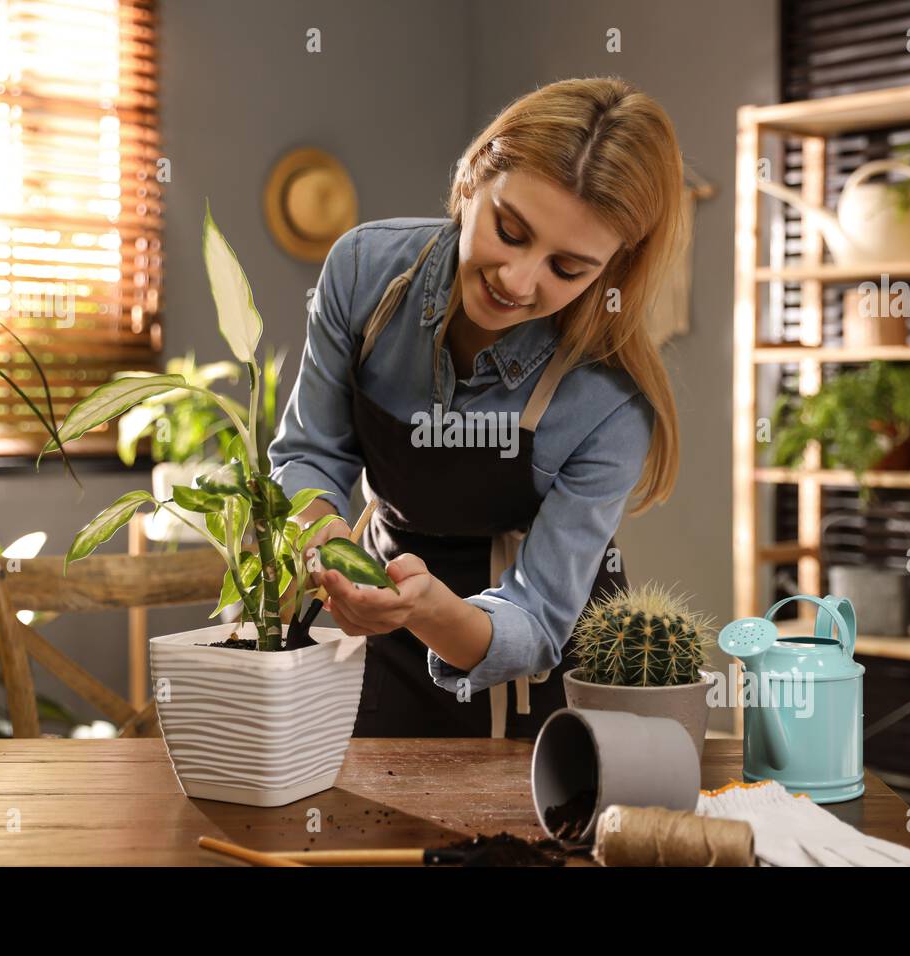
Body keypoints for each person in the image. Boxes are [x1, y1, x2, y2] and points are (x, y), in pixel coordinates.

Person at [268, 76, 685, 738]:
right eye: (510, 230)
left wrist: (428, 607)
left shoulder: (608, 399)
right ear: (471, 179)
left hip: (541, 686)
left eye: (568, 269)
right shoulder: (363, 272)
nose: (518, 281)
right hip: (386, 637)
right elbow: (309, 454)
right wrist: (330, 550)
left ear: (610, 270)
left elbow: (542, 615)